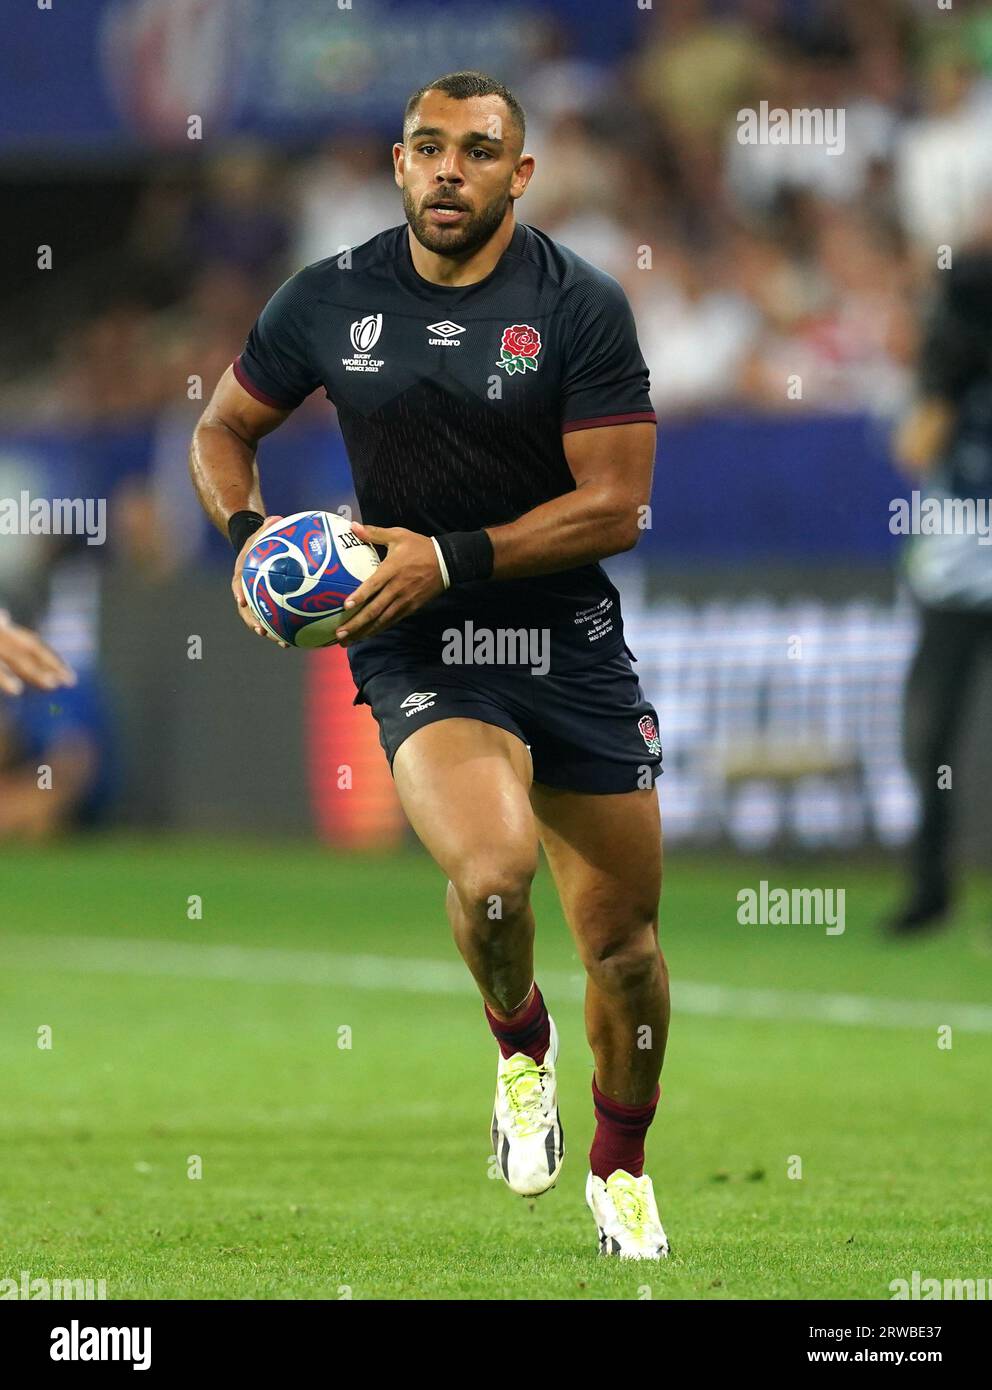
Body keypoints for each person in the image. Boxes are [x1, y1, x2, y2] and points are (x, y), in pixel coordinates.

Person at [190, 71, 669, 1258]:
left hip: (564, 638)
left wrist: (449, 557)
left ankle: (620, 1166)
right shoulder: (326, 297)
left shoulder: (578, 305)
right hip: (416, 638)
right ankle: (519, 1042)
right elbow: (222, 430)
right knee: (496, 872)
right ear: (398, 166)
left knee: (623, 946)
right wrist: (254, 544)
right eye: (425, 147)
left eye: (476, 148)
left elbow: (616, 507)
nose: (447, 167)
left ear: (521, 173)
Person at [886, 249, 992, 935]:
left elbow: (912, 448)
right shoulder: (957, 368)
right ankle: (930, 888)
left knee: (935, 736)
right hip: (956, 570)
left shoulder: (951, 363)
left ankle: (931, 889)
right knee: (935, 738)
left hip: (954, 570)